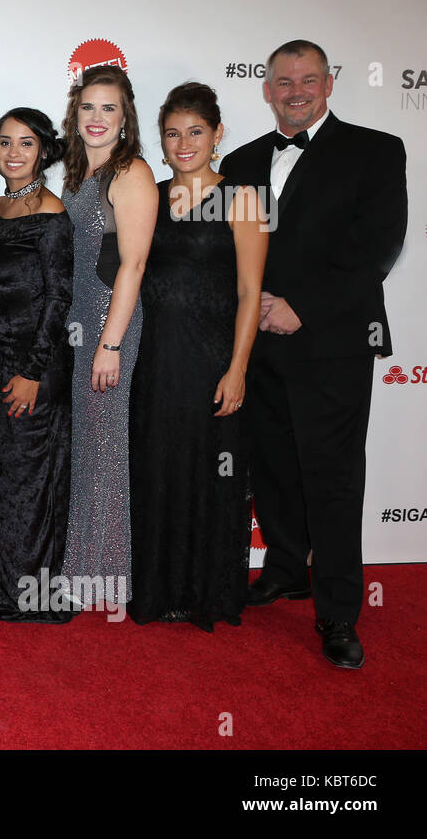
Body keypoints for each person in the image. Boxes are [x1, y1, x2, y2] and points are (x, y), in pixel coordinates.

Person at [220, 40, 407, 668]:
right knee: (271, 467)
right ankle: (285, 570)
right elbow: (228, 250)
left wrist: (301, 305)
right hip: (258, 341)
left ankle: (337, 614)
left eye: (307, 80)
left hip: (330, 344)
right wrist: (251, 308)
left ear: (328, 84)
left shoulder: (376, 150)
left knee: (331, 480)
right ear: (266, 89)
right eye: (282, 81)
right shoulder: (244, 159)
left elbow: (378, 246)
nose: (295, 91)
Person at [128, 82, 268, 632]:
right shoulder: (150, 197)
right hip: (157, 356)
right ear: (160, 141)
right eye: (172, 134)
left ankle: (206, 591)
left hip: (214, 358)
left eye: (195, 132)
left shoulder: (246, 198)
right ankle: (161, 592)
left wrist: (237, 370)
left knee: (214, 471)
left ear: (217, 134)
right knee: (159, 467)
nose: (183, 143)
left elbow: (252, 293)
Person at [0, 107, 74, 623]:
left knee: (29, 482)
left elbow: (59, 301)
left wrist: (33, 372)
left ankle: (29, 593)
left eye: (25, 143)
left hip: (33, 364)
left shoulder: (51, 213)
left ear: (43, 151)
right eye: (5, 142)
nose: (13, 153)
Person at [60, 65, 157, 609]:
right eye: (88, 107)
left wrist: (111, 343)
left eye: (109, 109)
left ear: (125, 118)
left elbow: (134, 264)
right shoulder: (78, 174)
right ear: (76, 113)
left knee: (105, 446)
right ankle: (84, 570)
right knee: (88, 446)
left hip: (107, 321)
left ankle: (105, 577)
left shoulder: (131, 173)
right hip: (78, 321)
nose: (97, 119)